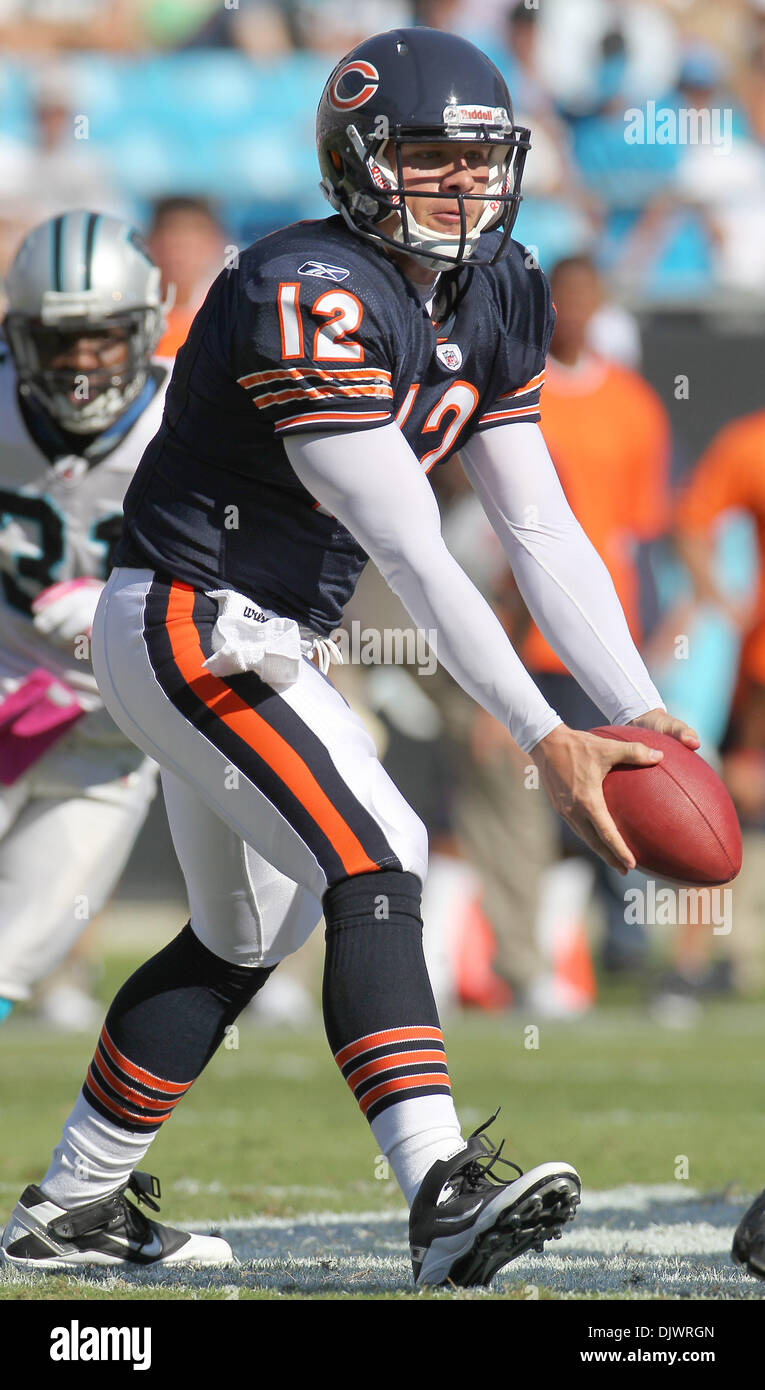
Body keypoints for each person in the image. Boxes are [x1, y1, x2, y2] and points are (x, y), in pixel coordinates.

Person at [1, 27, 697, 1290]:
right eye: (429, 159)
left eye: (479, 161)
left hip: (261, 637)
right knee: (384, 847)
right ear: (358, 164)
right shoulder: (301, 287)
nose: (461, 186)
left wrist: (641, 707)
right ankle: (438, 1190)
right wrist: (547, 731)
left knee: (235, 937)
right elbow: (416, 550)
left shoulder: (498, 287)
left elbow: (536, 523)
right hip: (192, 621)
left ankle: (69, 1204)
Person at [0, 211, 173, 1024]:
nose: (79, 362)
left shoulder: (194, 421)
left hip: (107, 740)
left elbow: (257, 585)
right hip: (5, 690)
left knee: (11, 957)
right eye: (57, 340)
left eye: (102, 337)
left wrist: (117, 610)